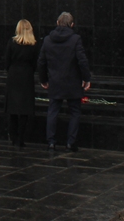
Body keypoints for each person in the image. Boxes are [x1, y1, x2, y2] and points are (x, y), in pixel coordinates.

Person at [37, 12, 91, 151]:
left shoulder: (48, 40)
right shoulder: (75, 39)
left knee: (53, 111)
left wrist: (43, 79)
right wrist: (86, 78)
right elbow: (82, 61)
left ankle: (51, 142)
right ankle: (70, 142)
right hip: (72, 82)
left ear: (57, 22)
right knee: (75, 112)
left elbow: (41, 62)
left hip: (55, 81)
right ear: (72, 25)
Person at [4, 19, 41, 147]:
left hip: (14, 75)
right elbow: (35, 63)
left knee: (13, 108)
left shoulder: (12, 42)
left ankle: (13, 137)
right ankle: (21, 138)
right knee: (25, 108)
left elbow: (7, 61)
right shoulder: (33, 45)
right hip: (27, 76)